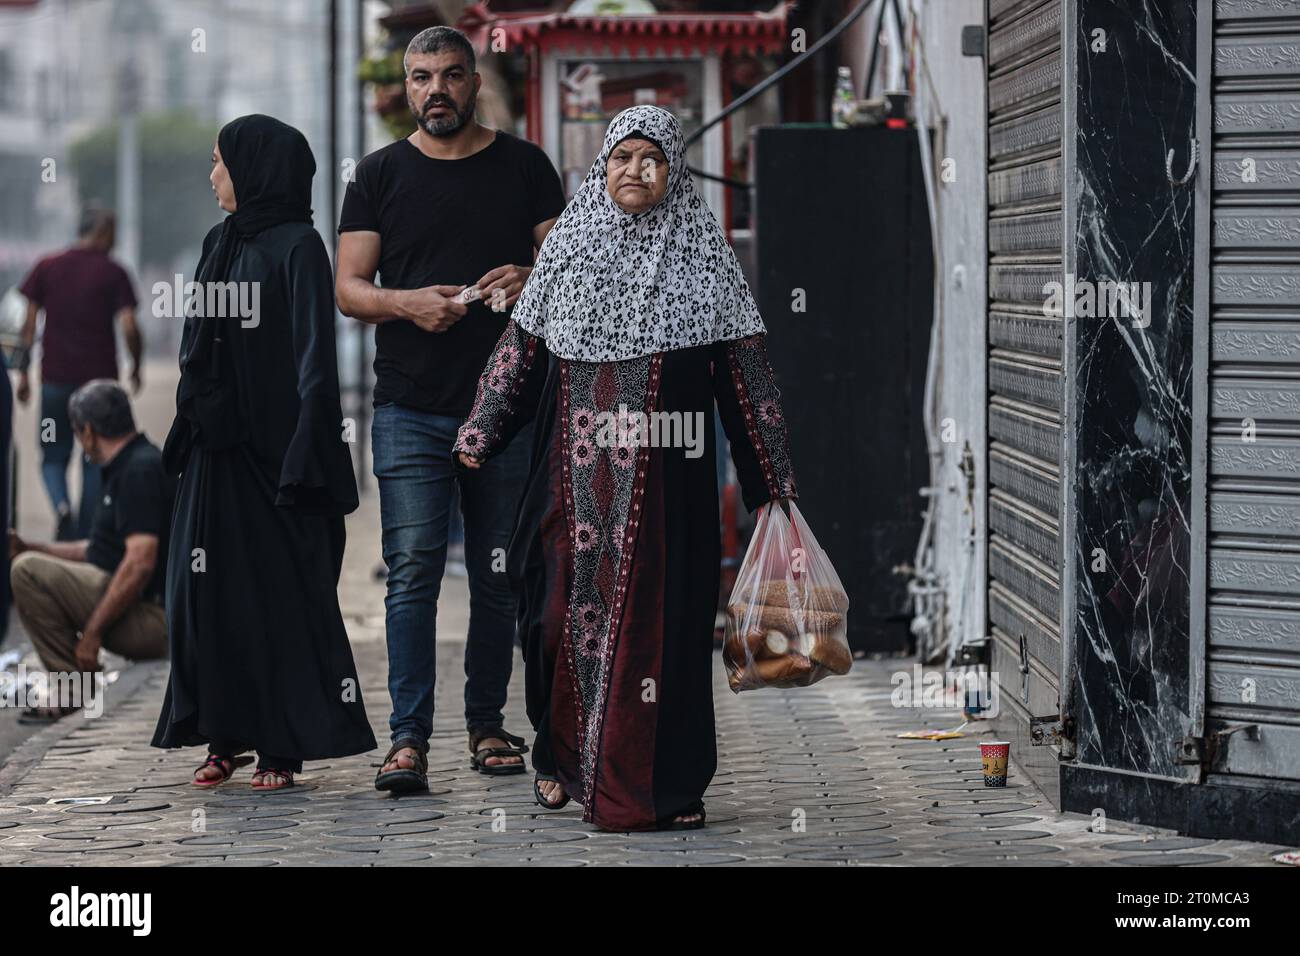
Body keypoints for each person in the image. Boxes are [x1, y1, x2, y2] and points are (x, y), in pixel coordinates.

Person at [454, 106, 799, 831]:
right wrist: (480, 429)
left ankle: (665, 787)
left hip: (667, 493)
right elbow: (521, 353)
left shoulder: (705, 256)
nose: (635, 171)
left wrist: (772, 487)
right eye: (622, 157)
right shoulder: (569, 249)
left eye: (652, 159)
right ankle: (557, 758)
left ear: (673, 171)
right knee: (552, 620)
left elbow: (747, 381)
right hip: (566, 489)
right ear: (601, 167)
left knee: (662, 634)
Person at [335, 26, 565, 791]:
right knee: (413, 574)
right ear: (407, 87)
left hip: (506, 410)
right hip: (409, 409)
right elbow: (349, 287)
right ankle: (407, 740)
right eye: (423, 76)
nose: (437, 89)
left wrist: (529, 277)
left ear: (474, 83)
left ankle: (488, 725)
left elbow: (569, 274)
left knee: (499, 573)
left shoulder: (526, 166)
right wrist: (406, 305)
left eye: (452, 75)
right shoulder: (376, 175)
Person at [151, 114, 376, 790]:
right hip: (216, 455)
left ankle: (282, 745)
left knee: (278, 601)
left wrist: (306, 455)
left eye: (221, 162)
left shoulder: (298, 247)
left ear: (254, 171)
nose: (213, 175)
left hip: (279, 462)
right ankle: (223, 736)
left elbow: (313, 363)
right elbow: (199, 343)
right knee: (206, 598)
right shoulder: (219, 241)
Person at [9, 381, 171, 723]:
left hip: (159, 623)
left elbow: (140, 563)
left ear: (87, 432)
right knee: (31, 560)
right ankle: (75, 685)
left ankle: (73, 689)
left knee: (27, 572)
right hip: (149, 615)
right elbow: (98, 551)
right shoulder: (127, 465)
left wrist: (92, 636)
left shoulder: (139, 470)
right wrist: (33, 546)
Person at [16, 206, 143, 540]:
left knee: (52, 454)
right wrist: (137, 365)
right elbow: (129, 326)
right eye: (113, 231)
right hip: (99, 386)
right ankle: (86, 535)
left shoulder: (47, 266)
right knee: (96, 456)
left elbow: (28, 326)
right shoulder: (114, 273)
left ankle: (61, 507)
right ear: (101, 231)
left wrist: (24, 373)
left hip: (55, 383)